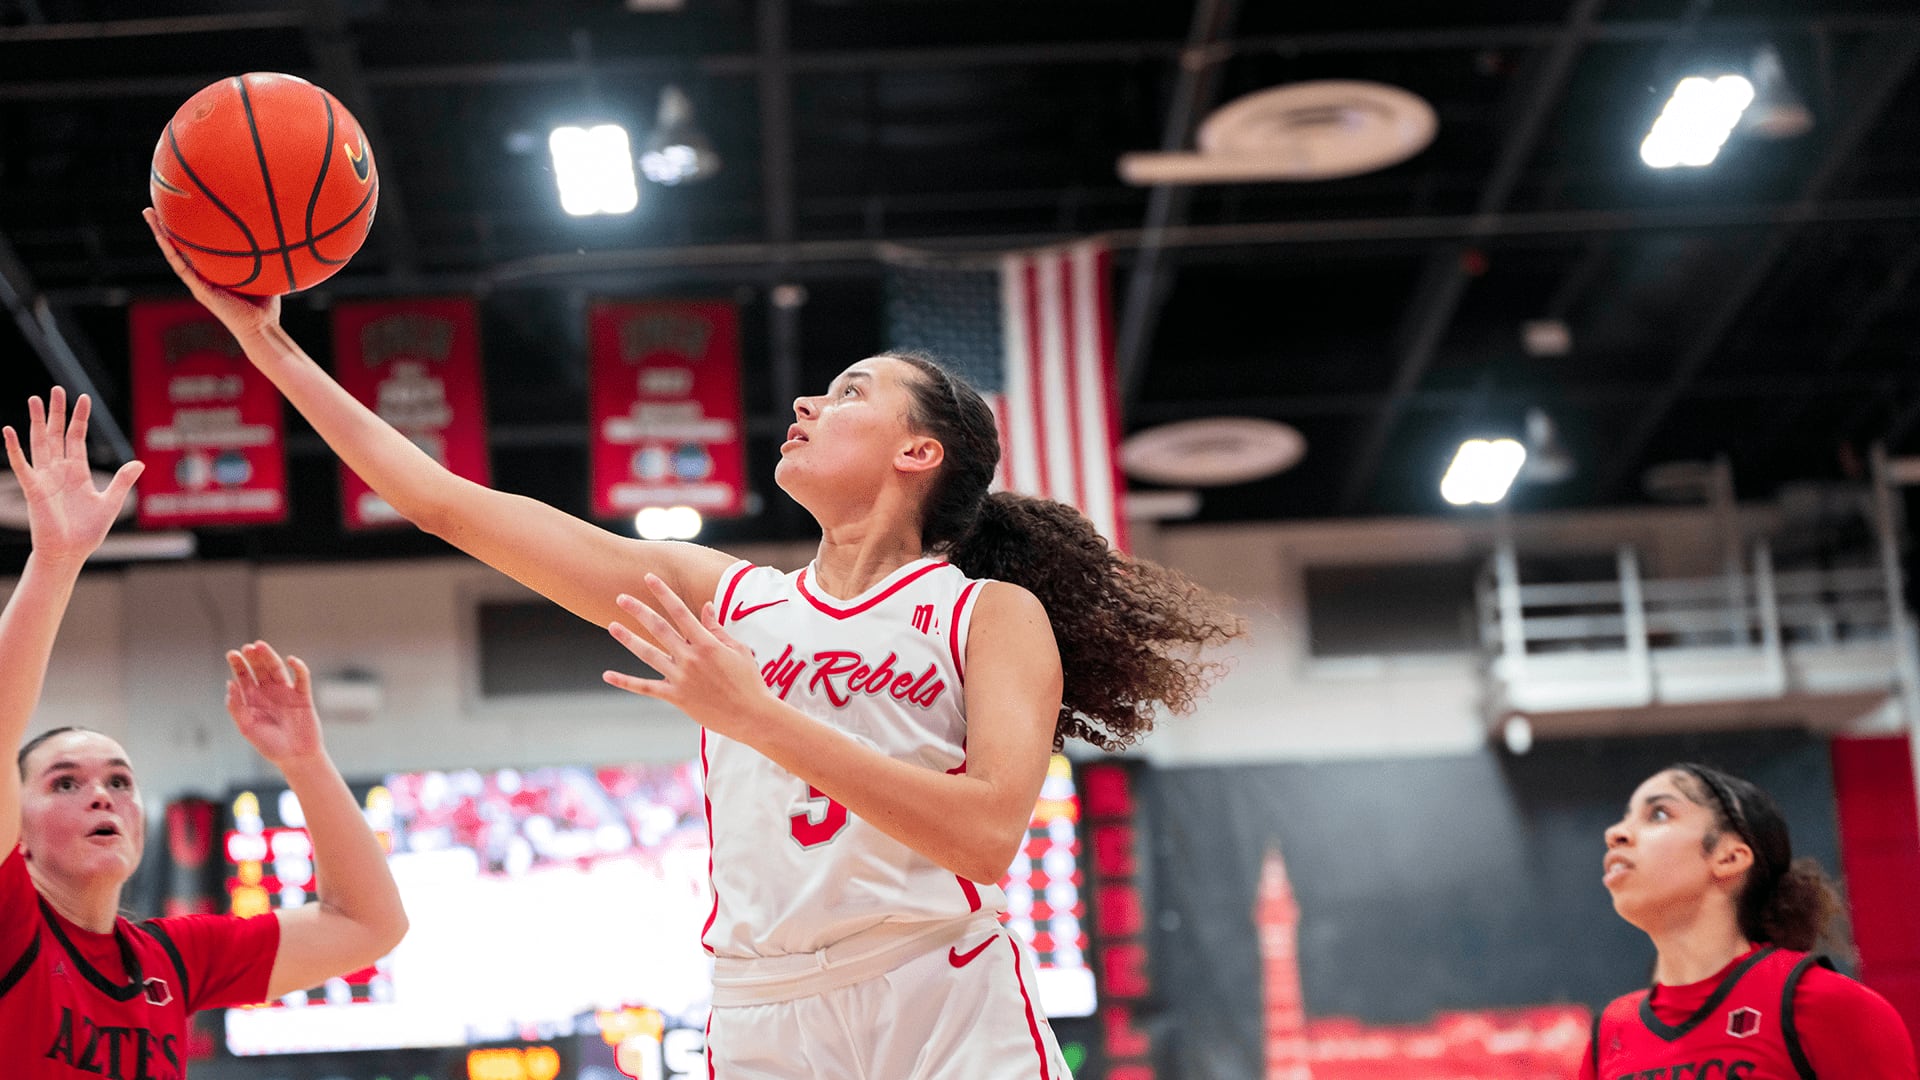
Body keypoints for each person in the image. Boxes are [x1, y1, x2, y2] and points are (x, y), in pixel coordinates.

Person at [146, 211, 1244, 1078]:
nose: (809, 400)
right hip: (763, 1010)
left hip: (937, 987)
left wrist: (757, 716)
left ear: (919, 450)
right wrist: (267, 343)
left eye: (850, 392)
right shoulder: (730, 599)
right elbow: (445, 504)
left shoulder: (984, 614)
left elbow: (990, 834)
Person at [0, 387, 409, 1078]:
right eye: (65, 781)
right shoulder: (12, 923)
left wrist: (306, 761)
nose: (102, 795)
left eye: (119, 781)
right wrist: (57, 560)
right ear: (20, 831)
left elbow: (370, 927)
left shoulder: (169, 960)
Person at [1583, 762, 1916, 1080]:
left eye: (1658, 814)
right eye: (1625, 818)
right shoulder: (1611, 1032)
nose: (1615, 833)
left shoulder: (1829, 1005)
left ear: (1729, 857)